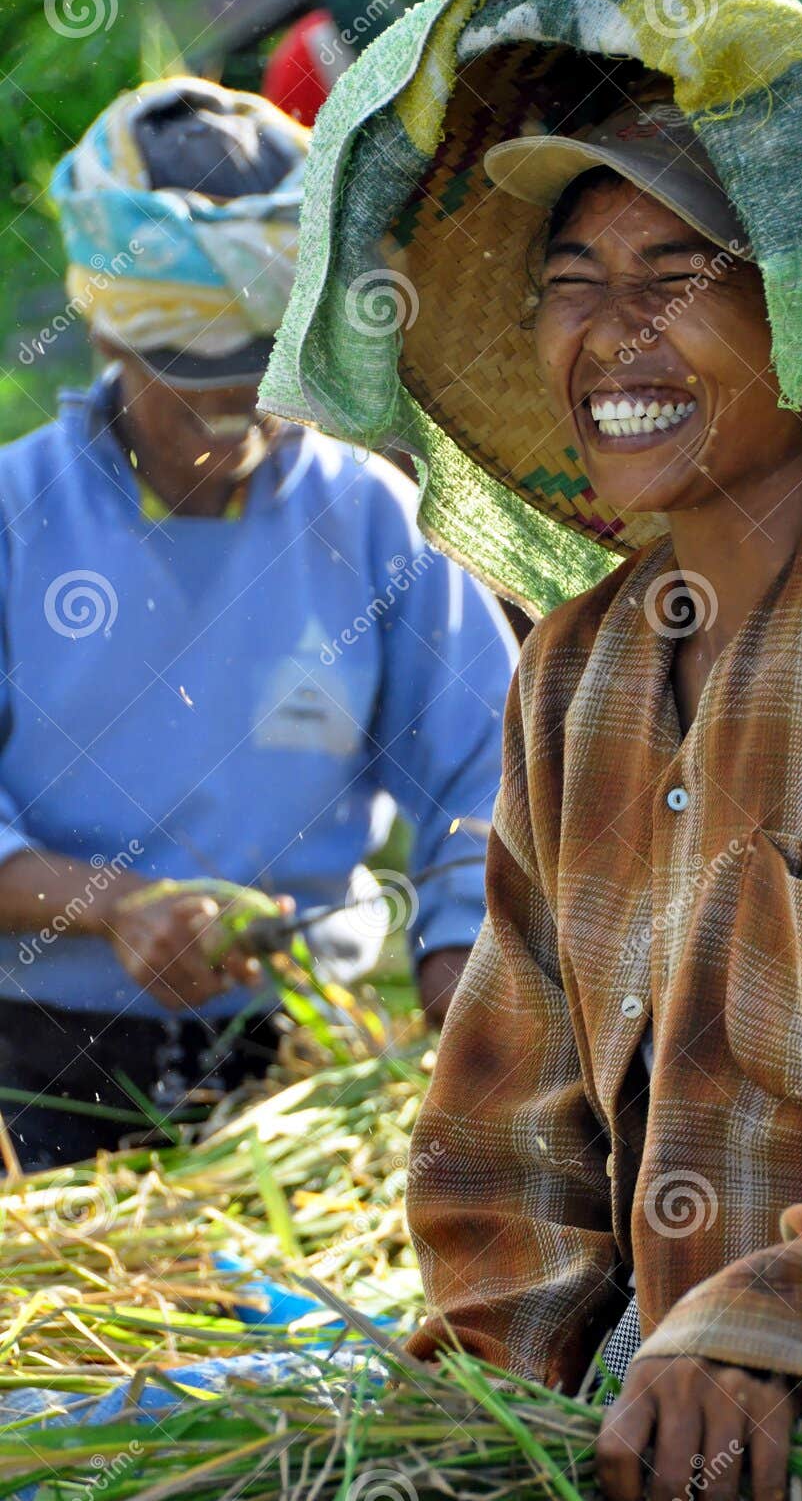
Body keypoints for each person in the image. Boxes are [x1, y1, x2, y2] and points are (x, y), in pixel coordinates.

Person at [259, 0, 802, 1501]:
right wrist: (484, 1409)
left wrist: (784, 1322)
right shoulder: (574, 670)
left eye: (674, 277)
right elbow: (503, 1124)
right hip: (652, 1457)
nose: (607, 335)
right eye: (571, 285)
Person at [0, 77, 517, 1171]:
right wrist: (113, 907)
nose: (228, 422)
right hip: (32, 1078)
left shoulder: (377, 522)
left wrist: (455, 1004)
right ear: (108, 334)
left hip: (295, 1086)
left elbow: (486, 779)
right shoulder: (14, 517)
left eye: (257, 377)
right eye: (186, 380)